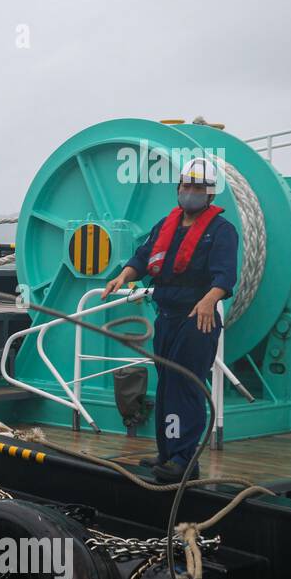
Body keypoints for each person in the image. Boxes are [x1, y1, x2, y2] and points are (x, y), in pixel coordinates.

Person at [102, 157, 239, 481]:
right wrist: (123, 276)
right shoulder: (166, 225)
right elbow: (142, 257)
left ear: (210, 195)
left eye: (197, 187)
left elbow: (225, 276)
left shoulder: (222, 231)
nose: (190, 192)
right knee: (166, 384)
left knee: (185, 384)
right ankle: (166, 452)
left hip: (197, 319)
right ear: (178, 188)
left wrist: (209, 300)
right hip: (166, 315)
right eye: (186, 186)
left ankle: (184, 460)